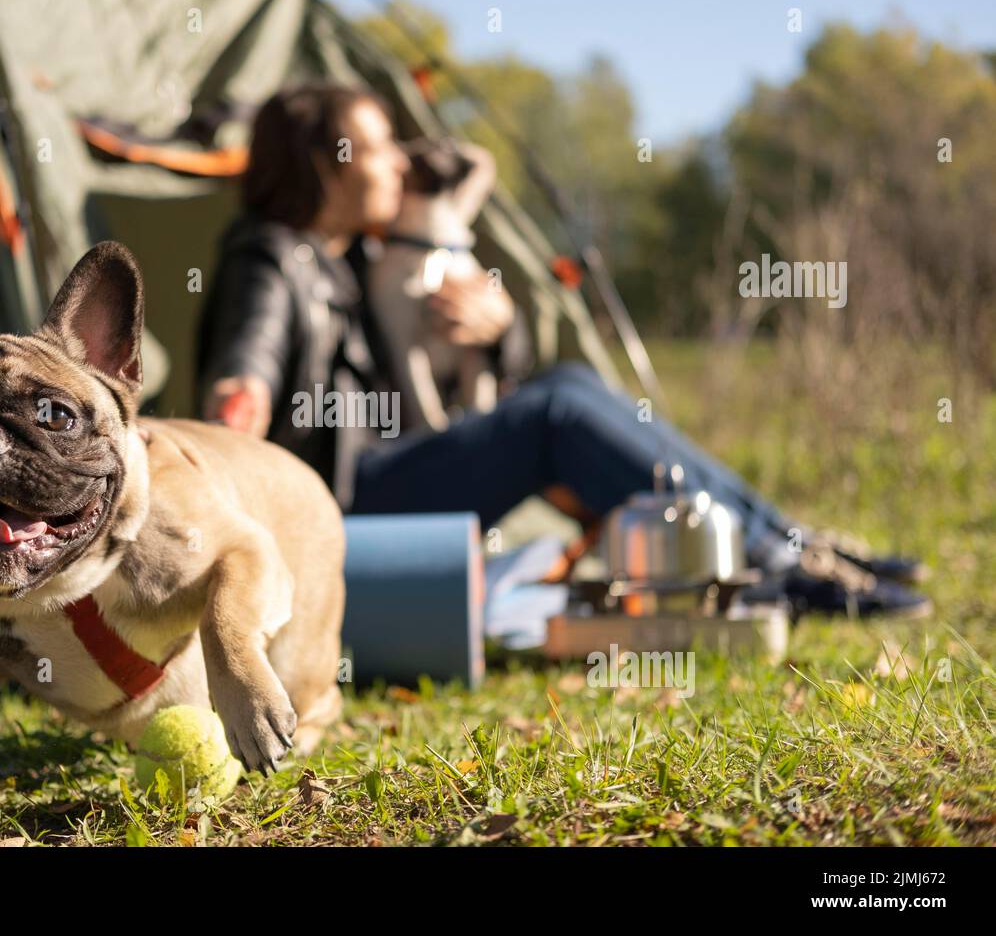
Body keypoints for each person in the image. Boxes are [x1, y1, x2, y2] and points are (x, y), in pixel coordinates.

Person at [195, 82, 928, 618]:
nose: (397, 162)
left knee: (568, 384)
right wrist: (240, 402)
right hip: (339, 507)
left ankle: (790, 542)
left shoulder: (352, 260)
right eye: (378, 145)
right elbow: (247, 361)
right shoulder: (269, 258)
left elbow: (462, 362)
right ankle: (767, 565)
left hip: (383, 477)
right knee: (552, 417)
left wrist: (499, 326)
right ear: (325, 165)